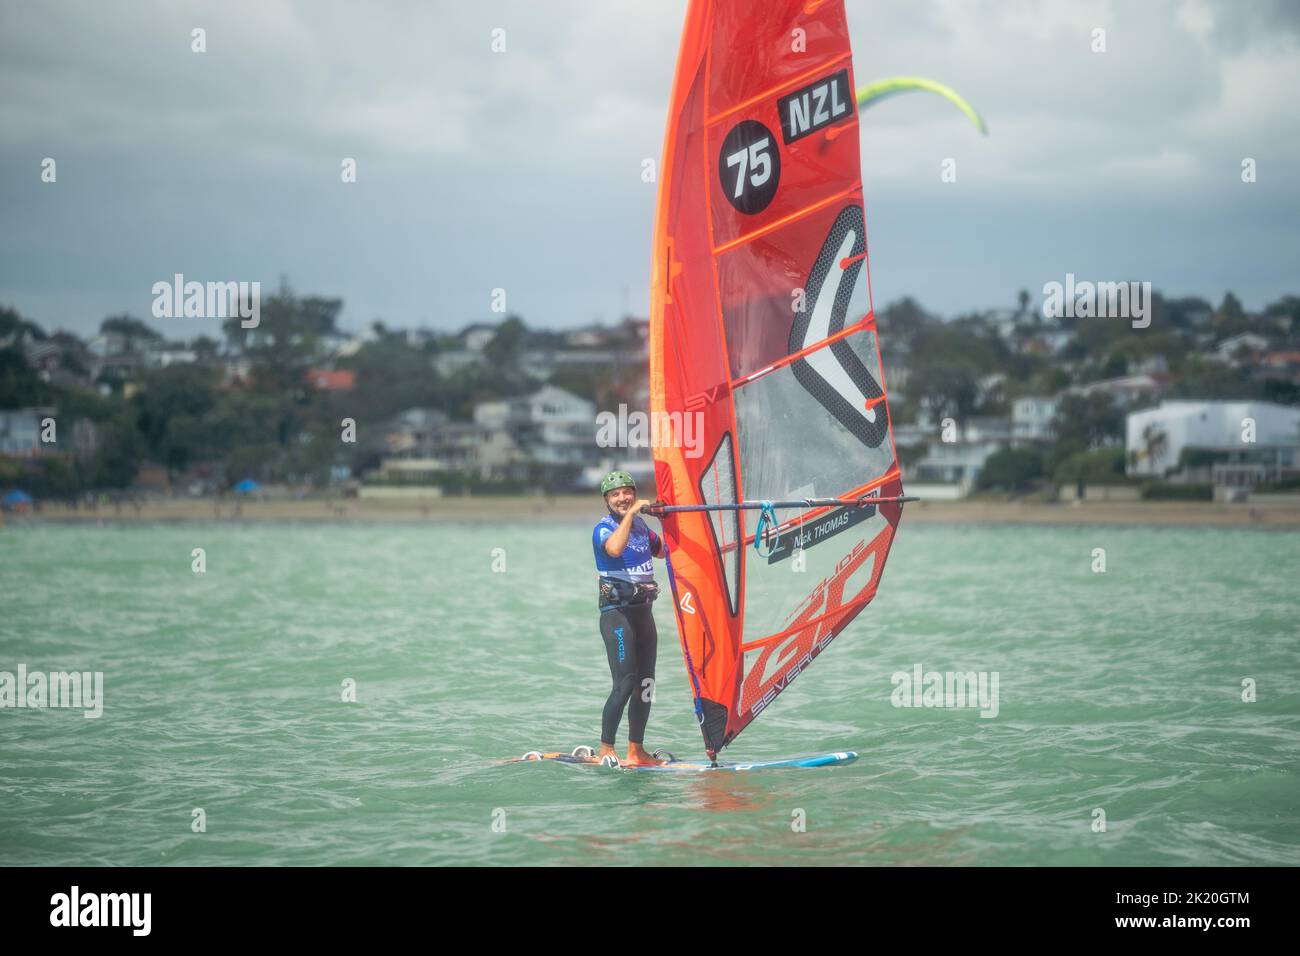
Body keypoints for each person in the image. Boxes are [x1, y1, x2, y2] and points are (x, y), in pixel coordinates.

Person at [592, 471, 666, 767]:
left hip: (643, 614)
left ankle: (637, 751)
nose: (622, 498)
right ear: (607, 501)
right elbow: (614, 549)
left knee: (646, 683)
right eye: (615, 494)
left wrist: (668, 519)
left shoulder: (642, 527)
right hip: (617, 616)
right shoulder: (603, 528)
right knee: (624, 683)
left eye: (627, 492)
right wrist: (632, 515)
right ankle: (606, 747)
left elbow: (665, 551)